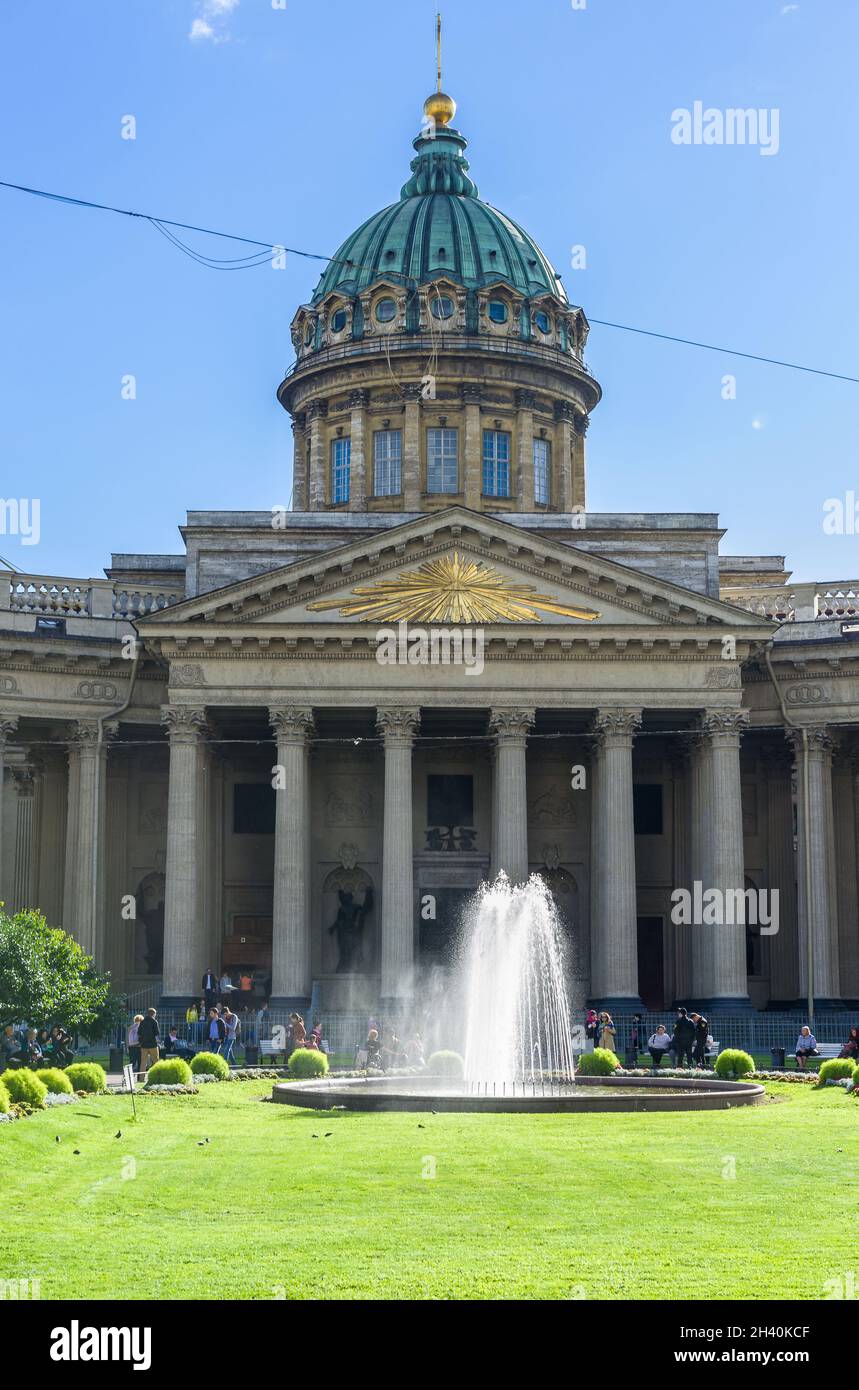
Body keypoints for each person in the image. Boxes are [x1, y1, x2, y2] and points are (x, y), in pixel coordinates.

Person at [137, 1008, 160, 1072]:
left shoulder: (142, 1022)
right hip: (152, 1045)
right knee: (156, 1062)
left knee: (143, 1063)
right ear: (153, 1014)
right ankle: (157, 1077)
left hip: (144, 1045)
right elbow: (157, 1033)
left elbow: (139, 1033)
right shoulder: (154, 1021)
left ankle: (141, 1078)